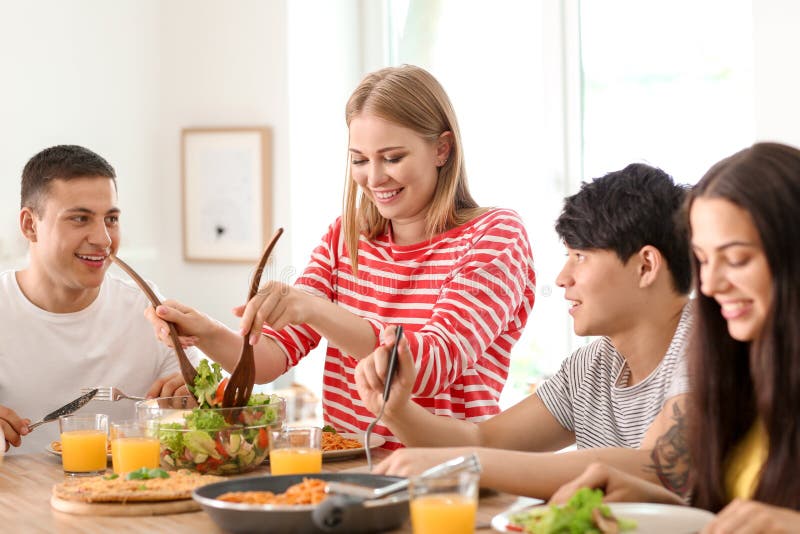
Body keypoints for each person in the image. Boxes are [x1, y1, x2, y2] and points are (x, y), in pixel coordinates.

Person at [145, 65, 537, 448]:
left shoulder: (494, 235)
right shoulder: (344, 237)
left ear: (442, 149)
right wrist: (206, 331)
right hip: (351, 469)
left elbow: (429, 367)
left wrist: (313, 309)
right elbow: (268, 360)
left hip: (450, 474)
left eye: (393, 157)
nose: (374, 177)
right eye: (360, 160)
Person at [356, 163, 695, 498]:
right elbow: (484, 442)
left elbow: (655, 468)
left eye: (580, 256)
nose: (563, 278)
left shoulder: (704, 347)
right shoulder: (593, 366)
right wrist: (397, 410)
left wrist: (466, 465)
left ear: (645, 266)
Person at [551, 142, 800, 532]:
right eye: (702, 260)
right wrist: (648, 501)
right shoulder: (744, 375)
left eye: (736, 259)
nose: (711, 284)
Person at [0, 145, 200, 454]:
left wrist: (199, 400)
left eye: (111, 219)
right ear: (30, 225)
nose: (104, 240)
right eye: (80, 219)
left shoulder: (147, 309)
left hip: (128, 494)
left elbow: (212, 410)